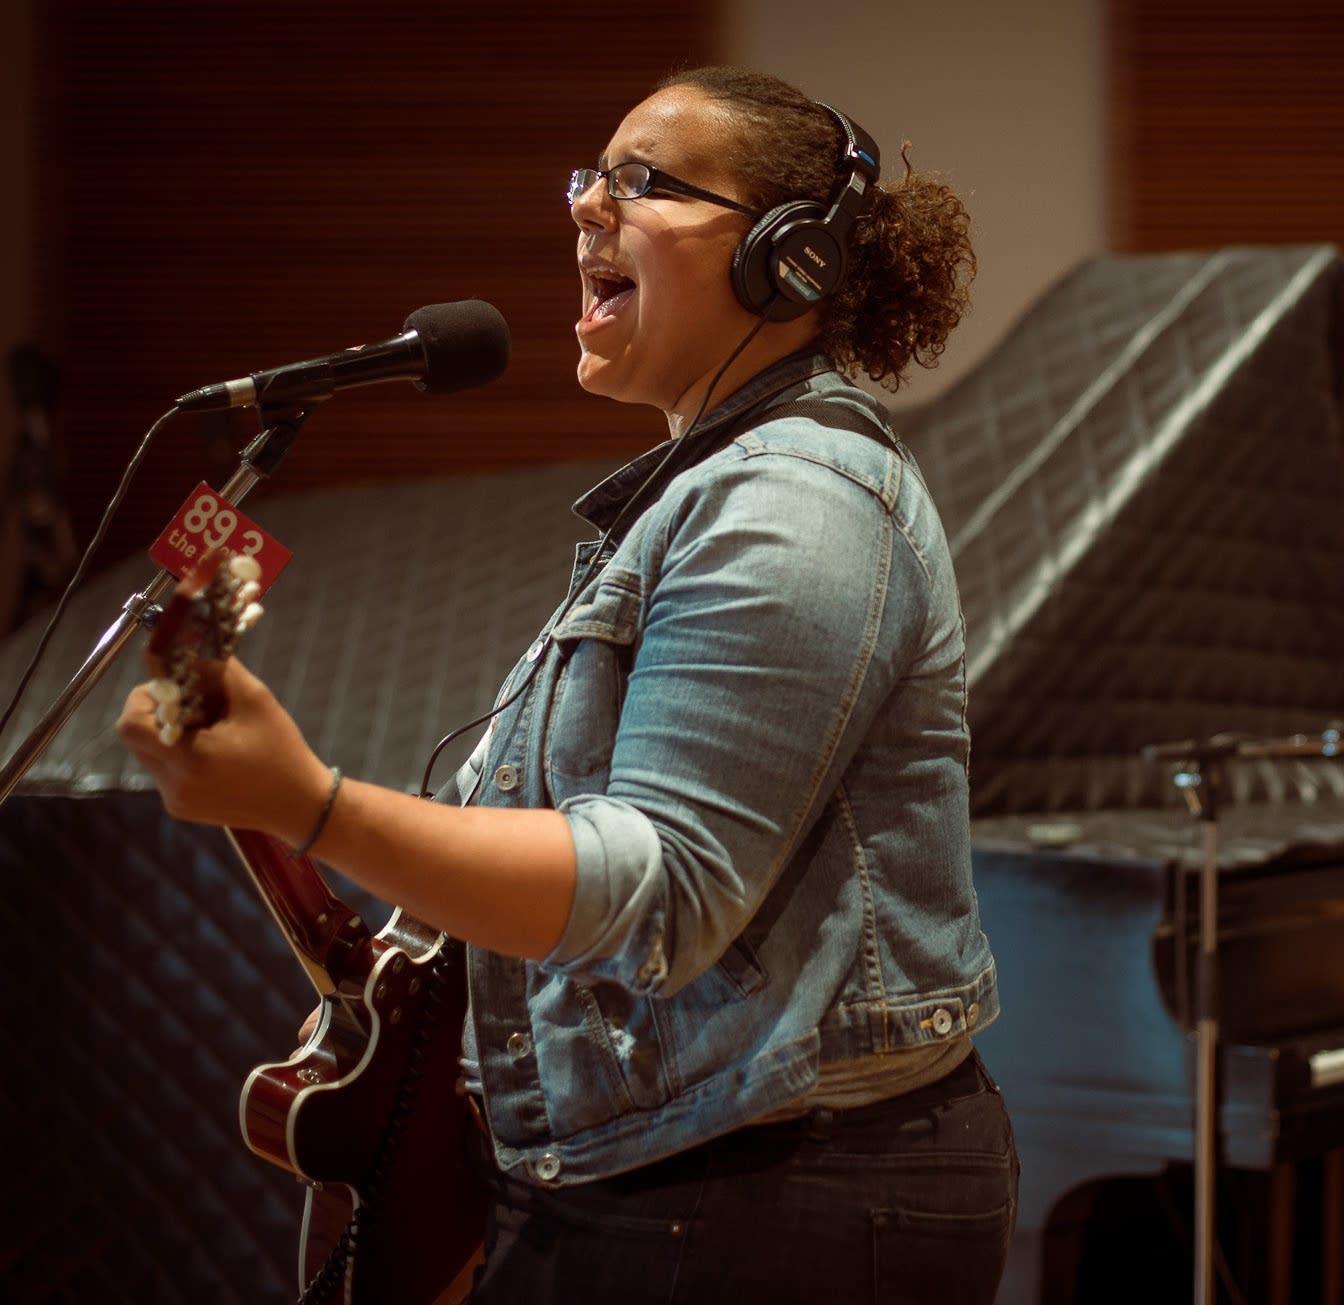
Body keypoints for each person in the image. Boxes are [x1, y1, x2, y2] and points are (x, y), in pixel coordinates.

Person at [117, 66, 1017, 1303]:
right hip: (665, 1177)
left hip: (778, 1199)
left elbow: (659, 895)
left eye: (640, 180)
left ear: (786, 260)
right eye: (587, 177)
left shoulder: (797, 506)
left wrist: (311, 805)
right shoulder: (694, 500)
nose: (586, 205)